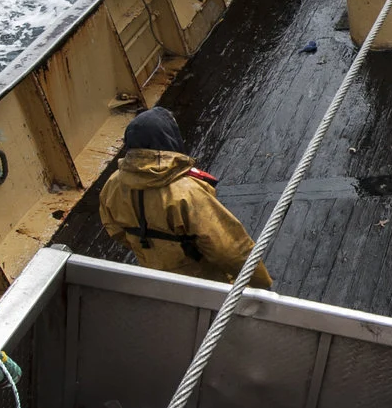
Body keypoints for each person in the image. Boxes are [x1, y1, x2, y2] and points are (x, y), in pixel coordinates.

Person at [98, 106, 271, 287]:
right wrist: (261, 283)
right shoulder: (186, 194)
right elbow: (229, 249)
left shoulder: (112, 186)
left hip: (156, 276)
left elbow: (115, 230)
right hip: (201, 279)